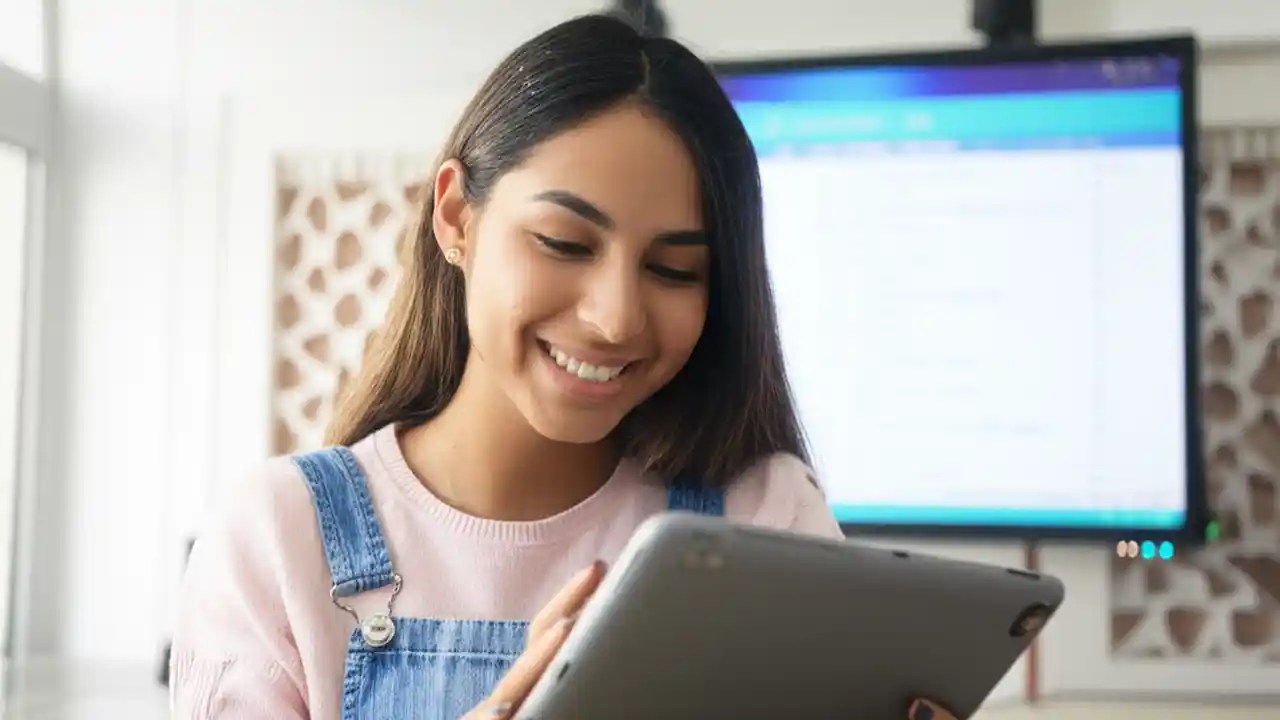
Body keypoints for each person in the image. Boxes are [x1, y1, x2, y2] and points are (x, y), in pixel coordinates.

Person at [170, 13, 956, 720]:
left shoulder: (767, 516)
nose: (615, 317)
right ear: (455, 217)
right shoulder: (276, 540)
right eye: (564, 244)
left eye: (675, 271)